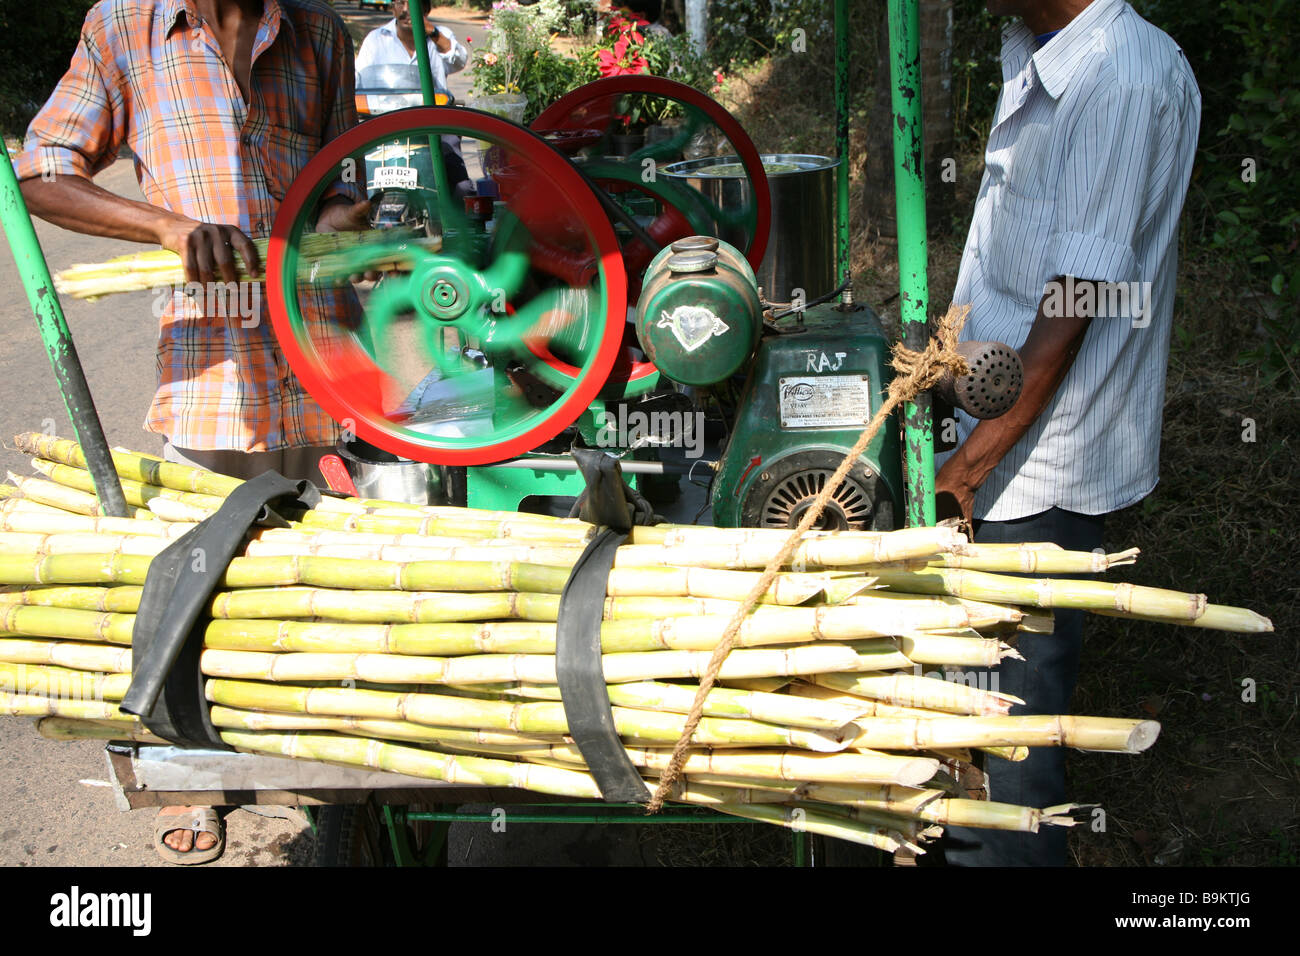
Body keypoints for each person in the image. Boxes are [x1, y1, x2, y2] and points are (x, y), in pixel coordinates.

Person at [15, 0, 369, 864]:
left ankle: (330, 765)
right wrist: (167, 227)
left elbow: (346, 176)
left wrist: (333, 218)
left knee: (322, 582)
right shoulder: (124, 27)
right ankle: (196, 770)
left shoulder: (320, 34)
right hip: (209, 366)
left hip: (318, 350)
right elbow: (39, 173)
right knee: (196, 574)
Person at [934, 0, 1200, 866]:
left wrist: (971, 464)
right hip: (1003, 416)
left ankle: (1005, 854)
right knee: (970, 689)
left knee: (1007, 723)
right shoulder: (1040, 48)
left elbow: (1079, 296)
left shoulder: (1119, 76)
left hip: (1042, 450)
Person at [355, 0, 472, 197]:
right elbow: (359, 80)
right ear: (393, 7)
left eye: (413, 3)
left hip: (432, 124)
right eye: (400, 3)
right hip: (384, 124)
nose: (406, 10)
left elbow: (458, 60)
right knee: (351, 178)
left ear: (425, 9)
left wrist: (432, 32)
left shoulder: (439, 35)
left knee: (462, 187)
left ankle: (456, 222)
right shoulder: (376, 39)